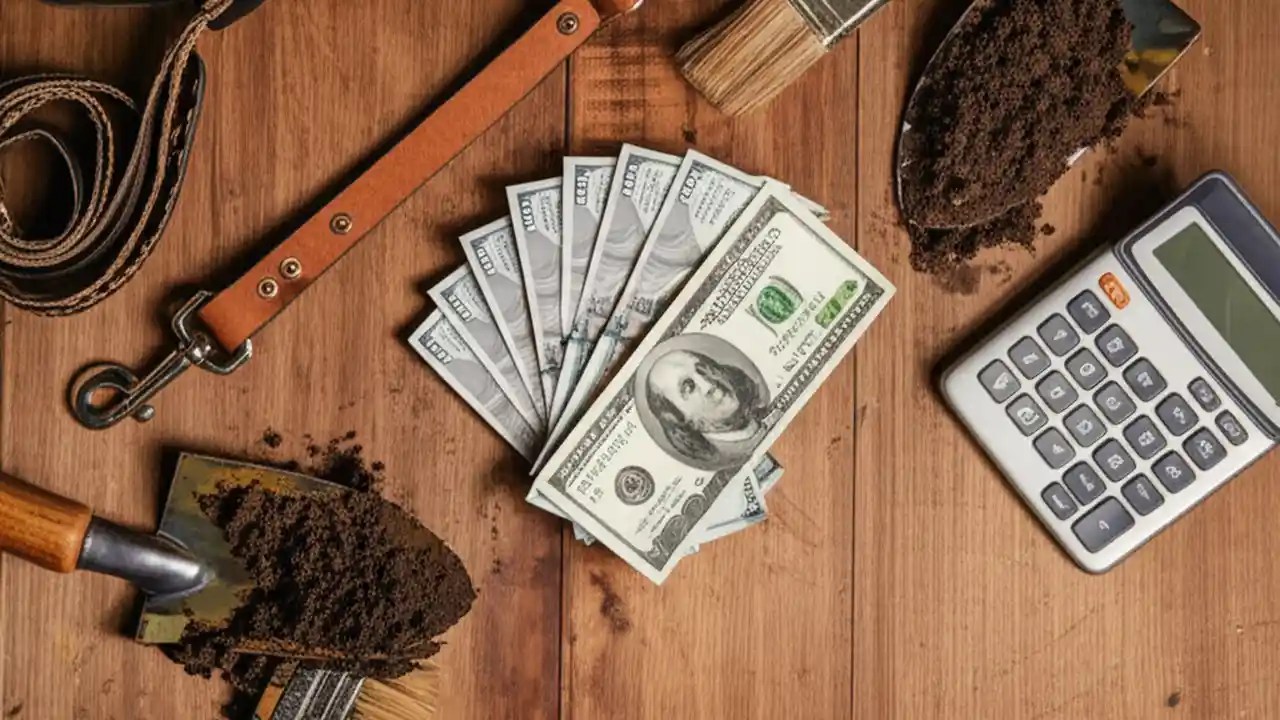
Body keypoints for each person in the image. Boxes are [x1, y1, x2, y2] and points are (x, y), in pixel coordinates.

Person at [640, 346, 769, 469]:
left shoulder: (761, 412)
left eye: (702, 370)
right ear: (680, 419)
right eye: (689, 388)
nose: (708, 385)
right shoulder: (726, 459)